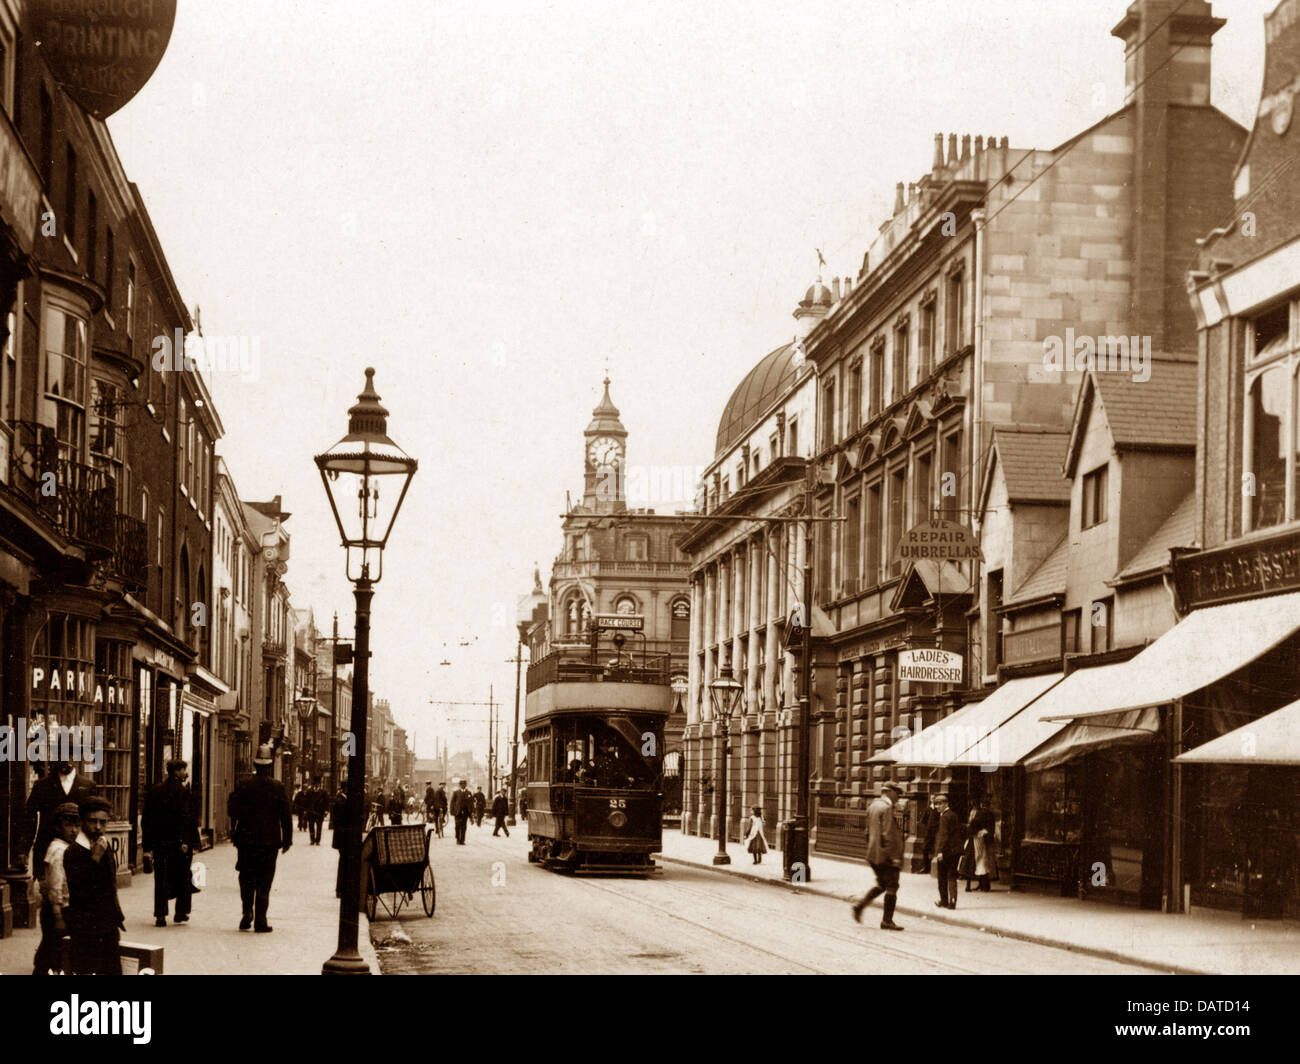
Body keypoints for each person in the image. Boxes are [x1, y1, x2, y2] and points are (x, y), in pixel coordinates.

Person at [226, 744, 292, 932]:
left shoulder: (243, 785)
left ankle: (247, 911)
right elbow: (285, 816)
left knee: (246, 877)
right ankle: (261, 920)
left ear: (255, 764)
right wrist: (287, 839)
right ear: (270, 766)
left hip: (246, 841)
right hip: (269, 842)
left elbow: (232, 811)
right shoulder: (278, 787)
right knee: (265, 880)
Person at [62, 796, 126, 975]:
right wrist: (95, 858)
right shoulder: (73, 851)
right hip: (85, 926)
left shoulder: (104, 845)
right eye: (92, 821)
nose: (98, 827)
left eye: (103, 822)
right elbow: (80, 888)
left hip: (108, 924)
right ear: (82, 821)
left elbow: (110, 884)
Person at [142, 759, 201, 927]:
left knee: (160, 877)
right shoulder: (183, 792)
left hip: (159, 841)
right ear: (176, 771)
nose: (185, 773)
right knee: (183, 875)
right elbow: (186, 819)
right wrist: (187, 841)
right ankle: (180, 913)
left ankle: (160, 915)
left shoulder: (155, 791)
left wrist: (147, 847)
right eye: (183, 770)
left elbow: (147, 820)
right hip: (178, 842)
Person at [22, 759, 96, 880]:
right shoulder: (41, 785)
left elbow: (92, 819)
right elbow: (29, 820)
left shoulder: (88, 786)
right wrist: (23, 850)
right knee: (46, 889)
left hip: (79, 849)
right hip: (46, 850)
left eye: (70, 753)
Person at [33, 802, 81, 975]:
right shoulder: (60, 851)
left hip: (57, 908)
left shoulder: (63, 847)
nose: (74, 830)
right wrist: (58, 915)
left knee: (50, 947)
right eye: (68, 825)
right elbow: (55, 885)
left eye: (77, 825)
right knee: (55, 951)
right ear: (58, 827)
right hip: (58, 909)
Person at [851, 783, 904, 931]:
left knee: (882, 884)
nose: (898, 798)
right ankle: (887, 921)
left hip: (874, 854)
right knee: (892, 886)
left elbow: (867, 832)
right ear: (889, 792)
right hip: (887, 855)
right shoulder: (886, 808)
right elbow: (888, 834)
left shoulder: (873, 806)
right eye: (897, 794)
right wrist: (894, 857)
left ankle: (859, 906)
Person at [932, 793, 962, 910]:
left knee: (942, 876)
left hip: (946, 852)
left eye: (939, 804)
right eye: (936, 804)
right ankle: (952, 901)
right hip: (955, 851)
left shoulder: (944, 817)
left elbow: (943, 835)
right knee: (952, 876)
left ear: (946, 804)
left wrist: (940, 851)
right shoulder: (953, 815)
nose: (937, 807)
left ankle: (944, 901)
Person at [964, 799, 998, 893]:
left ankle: (980, 885)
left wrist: (969, 831)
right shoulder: (989, 813)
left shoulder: (980, 813)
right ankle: (984, 884)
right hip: (986, 840)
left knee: (976, 861)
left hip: (978, 840)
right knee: (983, 861)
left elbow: (973, 826)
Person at [305, 779, 328, 845]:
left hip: (320, 812)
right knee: (311, 826)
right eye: (315, 784)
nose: (316, 785)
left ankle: (318, 840)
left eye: (317, 784)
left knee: (319, 827)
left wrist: (326, 810)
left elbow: (326, 802)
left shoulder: (323, 792)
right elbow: (306, 801)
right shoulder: (309, 792)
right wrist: (305, 810)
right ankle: (312, 840)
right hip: (311, 812)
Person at [450, 780, 472, 844]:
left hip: (465, 812)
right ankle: (457, 838)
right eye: (462, 784)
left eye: (464, 784)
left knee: (464, 826)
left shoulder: (469, 793)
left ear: (466, 785)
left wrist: (471, 812)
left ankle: (462, 840)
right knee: (457, 826)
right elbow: (452, 802)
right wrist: (452, 811)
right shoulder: (456, 792)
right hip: (457, 812)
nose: (463, 785)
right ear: (460, 785)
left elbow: (471, 803)